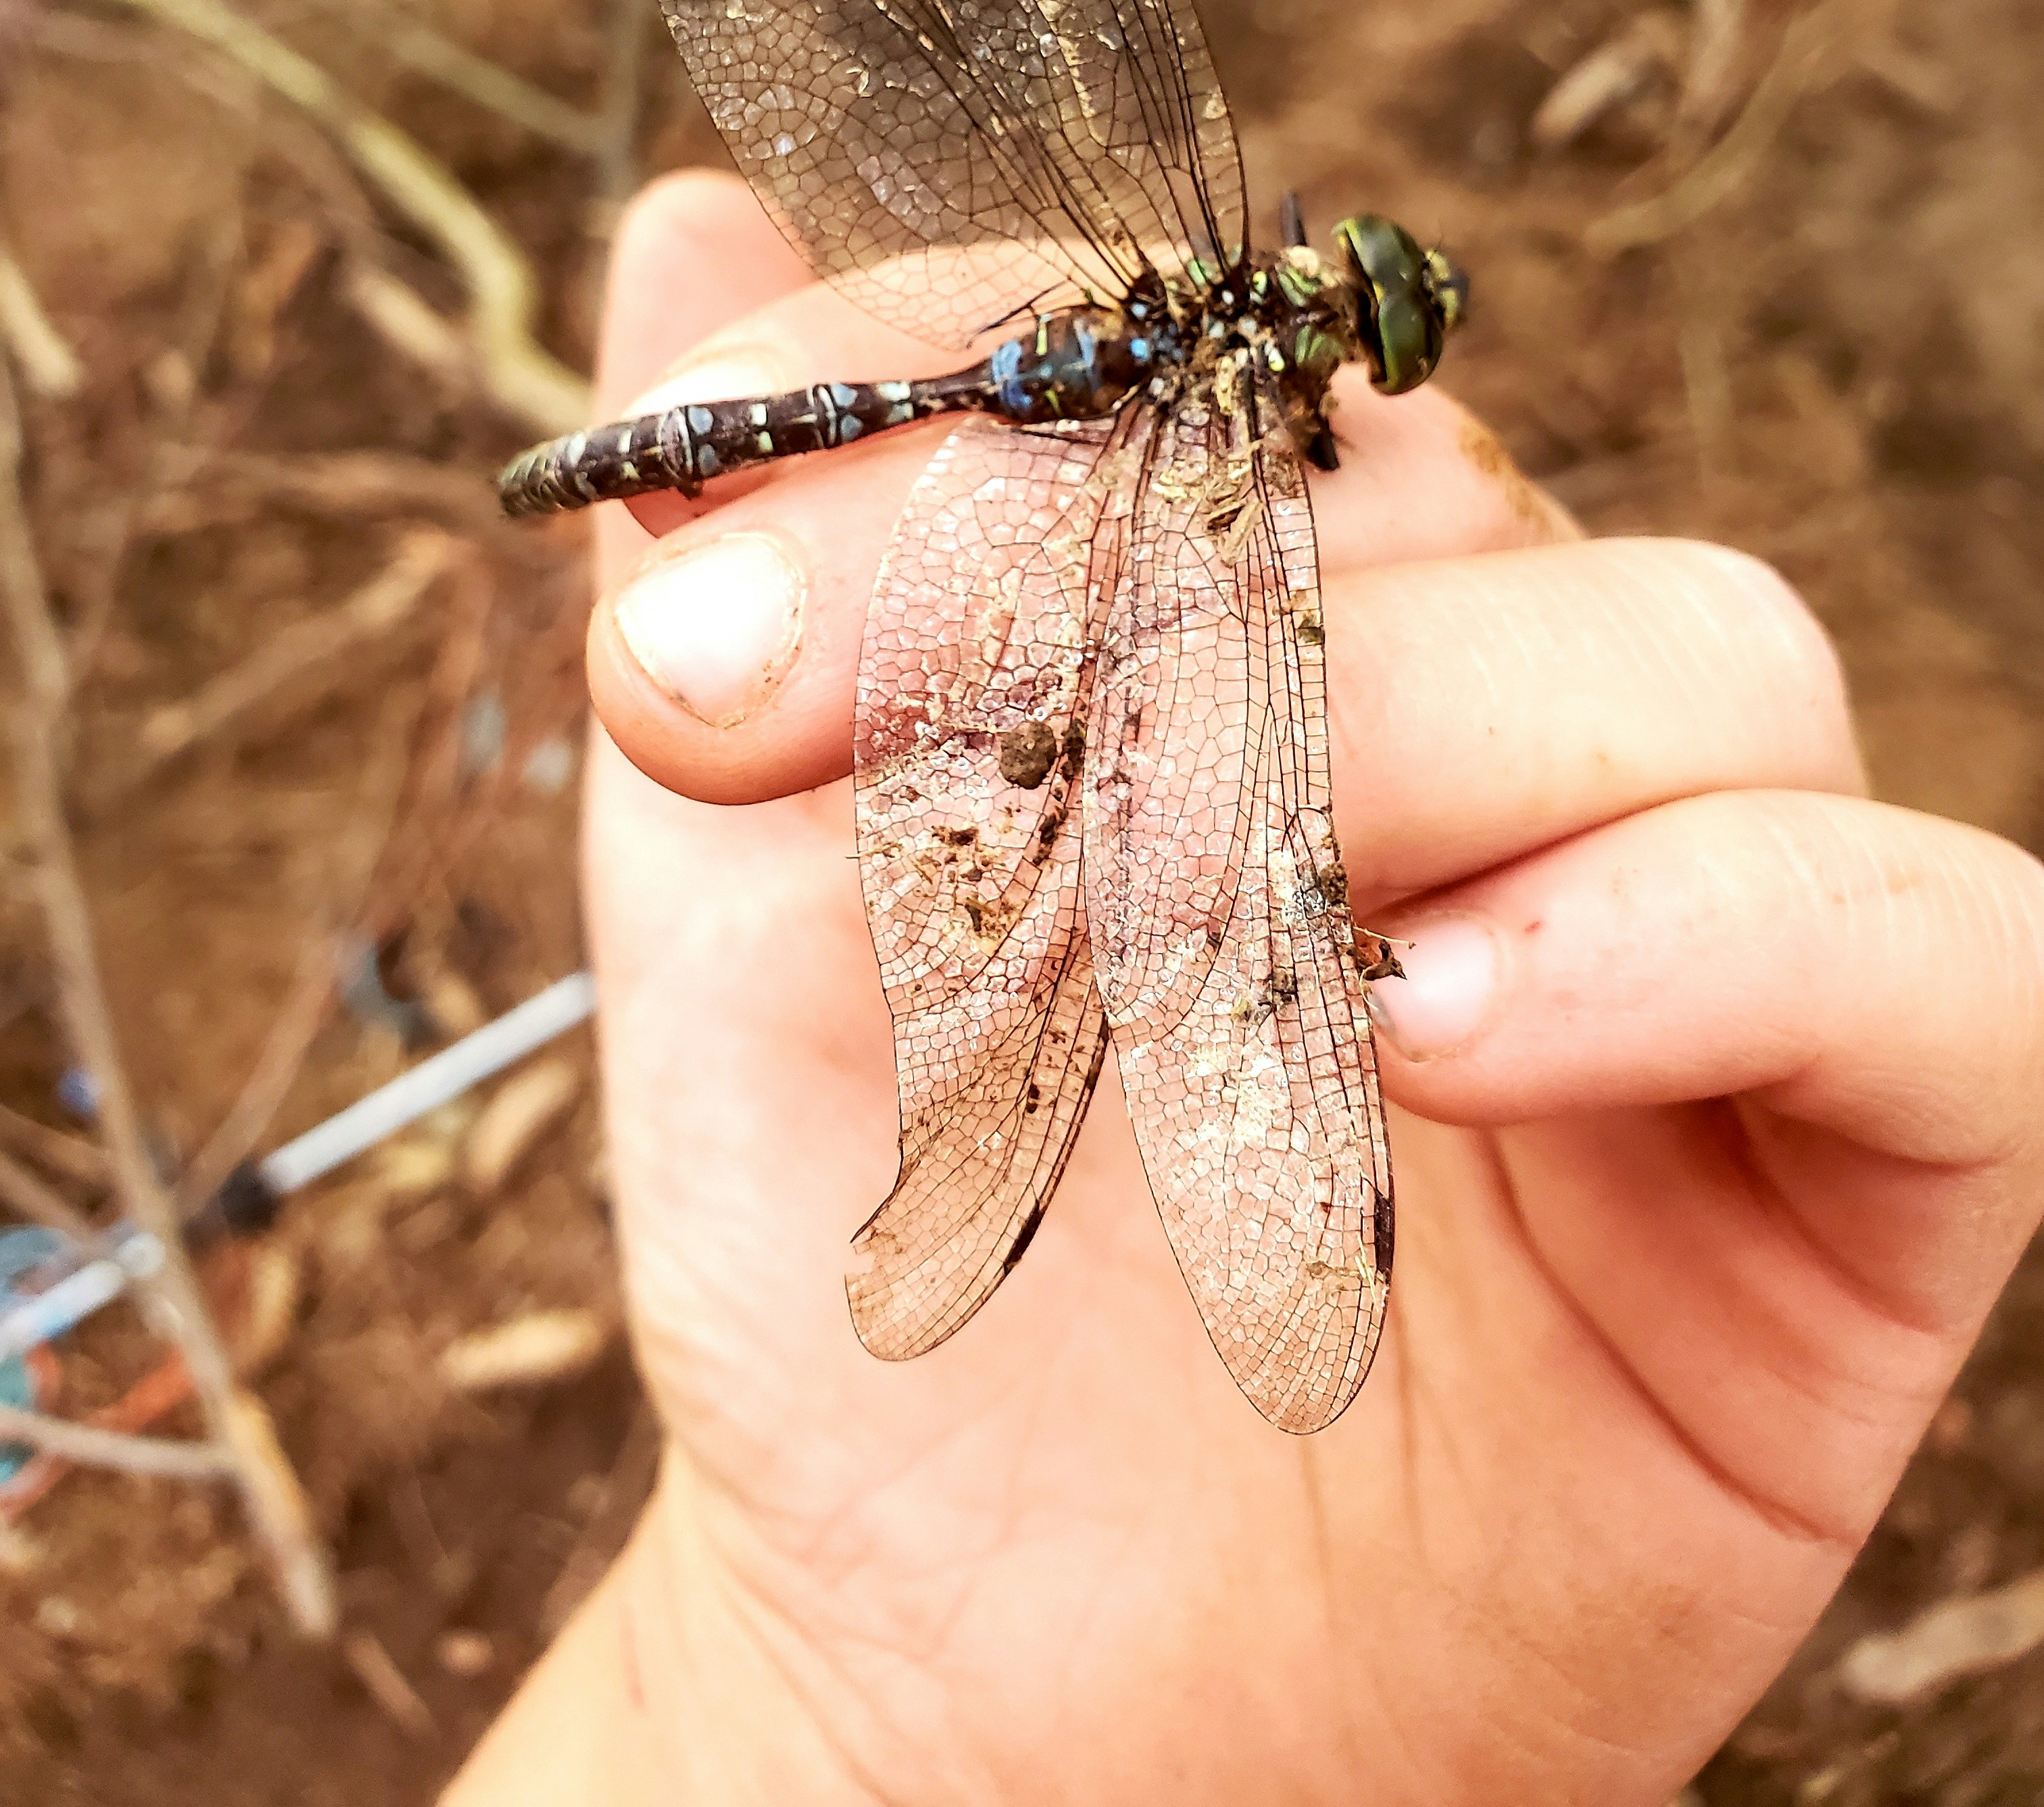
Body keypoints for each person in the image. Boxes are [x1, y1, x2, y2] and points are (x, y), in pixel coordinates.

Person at [445, 168, 2044, 1807]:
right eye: (1377, 298)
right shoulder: (1244, 450)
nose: (1373, 303)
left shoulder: (1211, 389)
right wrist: (810, 1724)